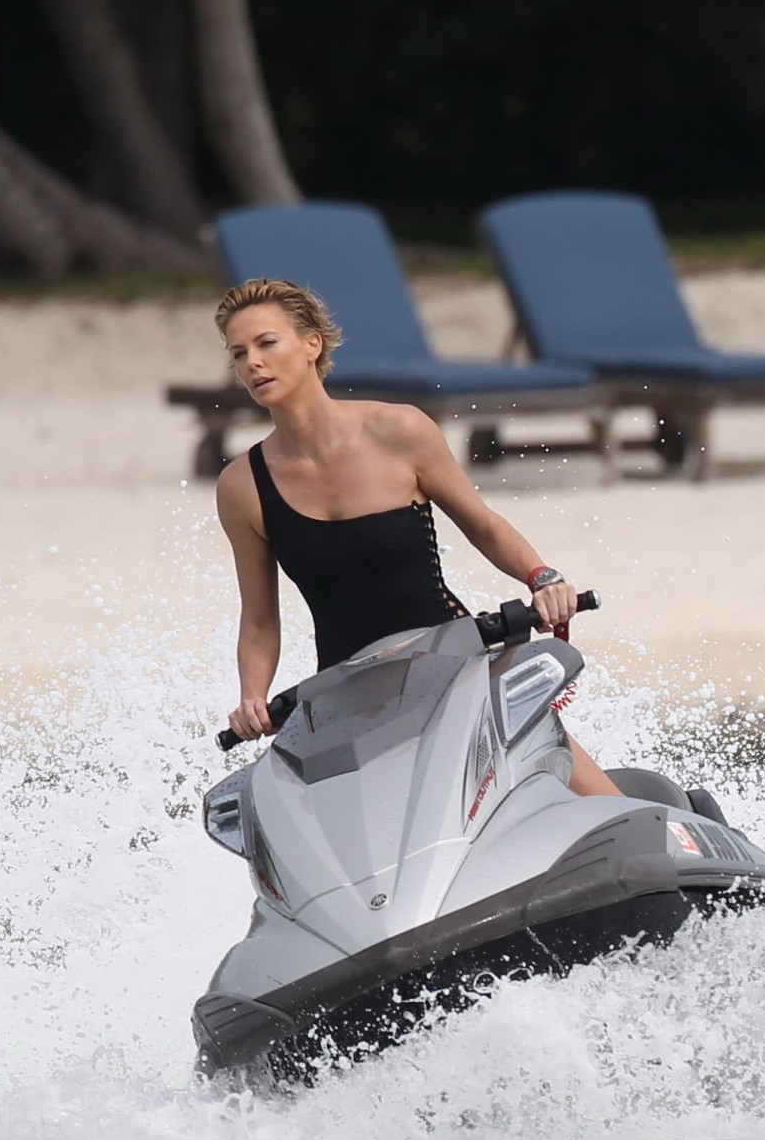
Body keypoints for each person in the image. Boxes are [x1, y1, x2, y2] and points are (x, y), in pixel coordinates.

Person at [214, 276, 621, 797]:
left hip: (463, 670)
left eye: (267, 343)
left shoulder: (399, 432)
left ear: (312, 344)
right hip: (350, 702)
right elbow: (259, 618)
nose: (253, 363)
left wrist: (543, 578)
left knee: (600, 801)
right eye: (239, 353)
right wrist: (253, 695)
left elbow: (483, 524)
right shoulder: (242, 486)